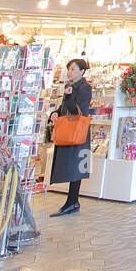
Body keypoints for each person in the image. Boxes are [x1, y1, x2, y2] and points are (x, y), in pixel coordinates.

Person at [49, 58, 92, 217]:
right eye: (69, 69)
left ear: (82, 71)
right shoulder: (70, 86)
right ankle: (72, 201)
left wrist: (68, 97)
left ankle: (72, 201)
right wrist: (55, 113)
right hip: (68, 129)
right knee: (69, 163)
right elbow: (64, 108)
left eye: (73, 69)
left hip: (78, 131)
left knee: (76, 165)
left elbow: (77, 111)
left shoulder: (85, 88)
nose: (70, 72)